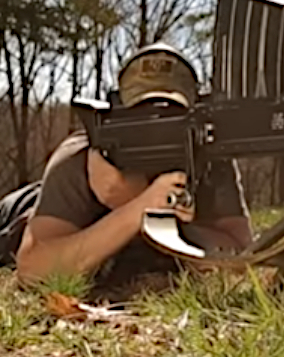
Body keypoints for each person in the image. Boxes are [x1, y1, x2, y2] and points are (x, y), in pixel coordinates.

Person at [11, 43, 254, 299]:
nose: (156, 125)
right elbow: (32, 270)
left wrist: (154, 215)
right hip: (24, 211)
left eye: (172, 113)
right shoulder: (82, 156)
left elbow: (243, 261)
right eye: (142, 113)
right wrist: (135, 210)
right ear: (117, 112)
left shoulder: (210, 158)